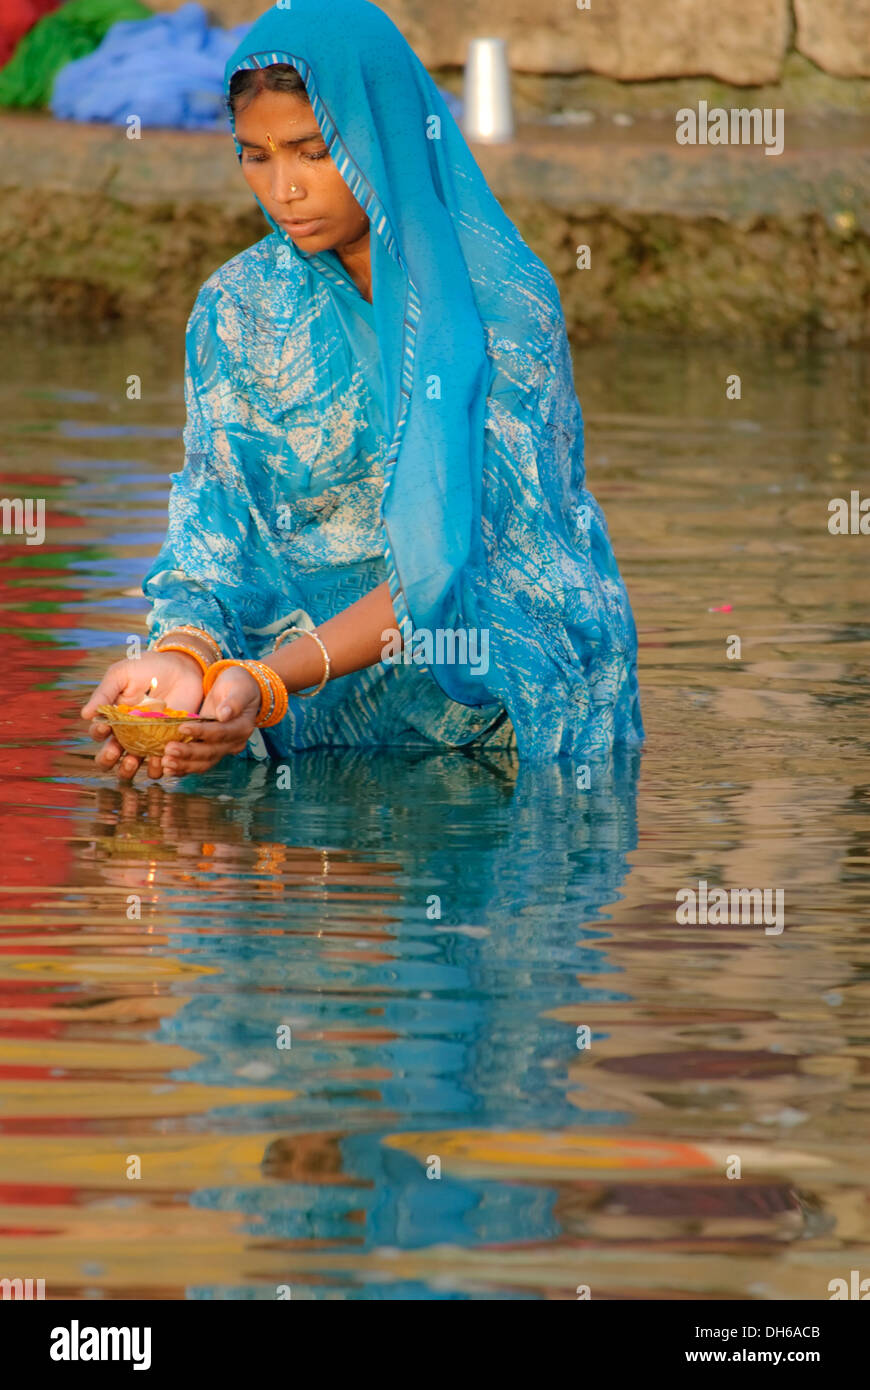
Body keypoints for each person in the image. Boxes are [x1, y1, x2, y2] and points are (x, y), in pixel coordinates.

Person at [80, 0, 644, 780]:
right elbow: (217, 517)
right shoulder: (239, 305)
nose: (284, 189)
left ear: (380, 134)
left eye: (312, 152)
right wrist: (183, 656)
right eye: (254, 156)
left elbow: (472, 561)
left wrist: (269, 679)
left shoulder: (503, 306)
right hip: (298, 714)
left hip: (501, 715)